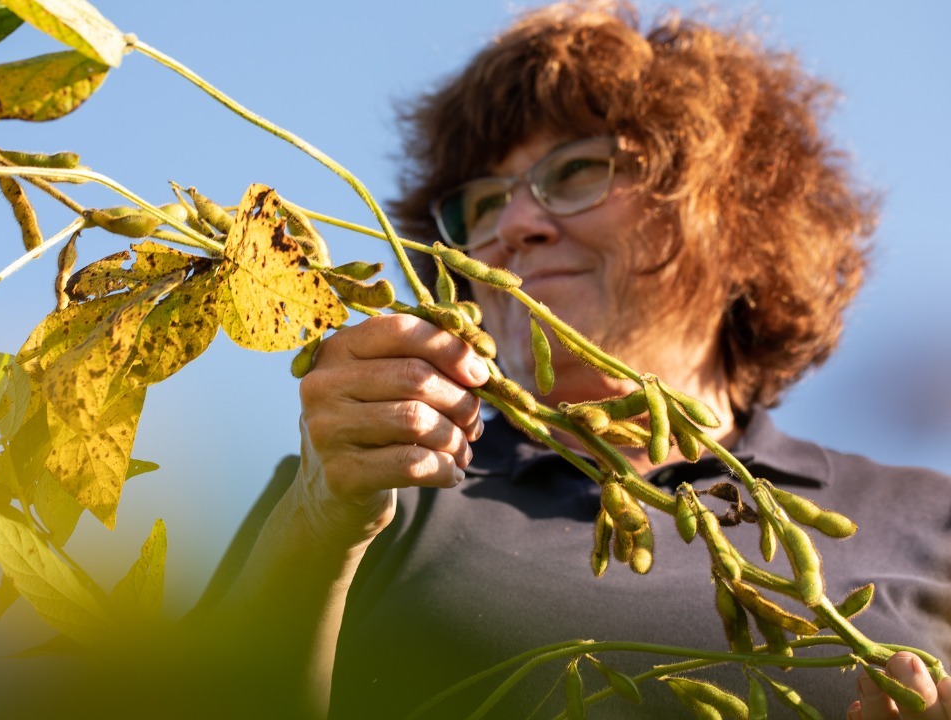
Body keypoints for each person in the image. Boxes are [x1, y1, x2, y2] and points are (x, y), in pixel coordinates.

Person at [189, 2, 951, 718]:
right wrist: (315, 528)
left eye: (579, 169)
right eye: (481, 205)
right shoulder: (371, 483)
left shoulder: (929, 520)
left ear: (738, 224)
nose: (514, 224)